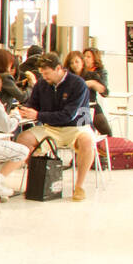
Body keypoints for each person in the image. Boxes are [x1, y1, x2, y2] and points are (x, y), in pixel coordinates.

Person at [17, 51, 94, 201]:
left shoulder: (78, 84)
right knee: (23, 139)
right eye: (42, 74)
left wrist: (38, 115)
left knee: (87, 141)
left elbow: (68, 115)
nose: (44, 77)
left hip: (77, 126)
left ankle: (79, 186)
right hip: (50, 127)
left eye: (47, 73)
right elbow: (33, 105)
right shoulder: (42, 84)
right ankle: (39, 179)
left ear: (59, 68)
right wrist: (23, 111)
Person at [81, 47, 112, 138]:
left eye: (88, 57)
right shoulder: (79, 72)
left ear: (95, 59)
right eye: (84, 56)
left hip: (92, 104)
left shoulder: (99, 73)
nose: (85, 59)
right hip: (80, 105)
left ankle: (107, 148)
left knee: (106, 131)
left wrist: (93, 83)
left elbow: (104, 92)